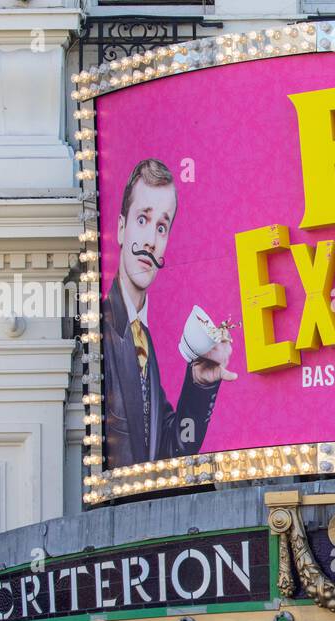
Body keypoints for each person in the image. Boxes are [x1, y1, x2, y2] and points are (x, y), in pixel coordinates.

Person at [101, 158, 236, 471]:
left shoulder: (143, 338)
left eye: (161, 227)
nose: (151, 240)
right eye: (143, 220)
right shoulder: (101, 332)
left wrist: (200, 383)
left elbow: (171, 452)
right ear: (122, 228)